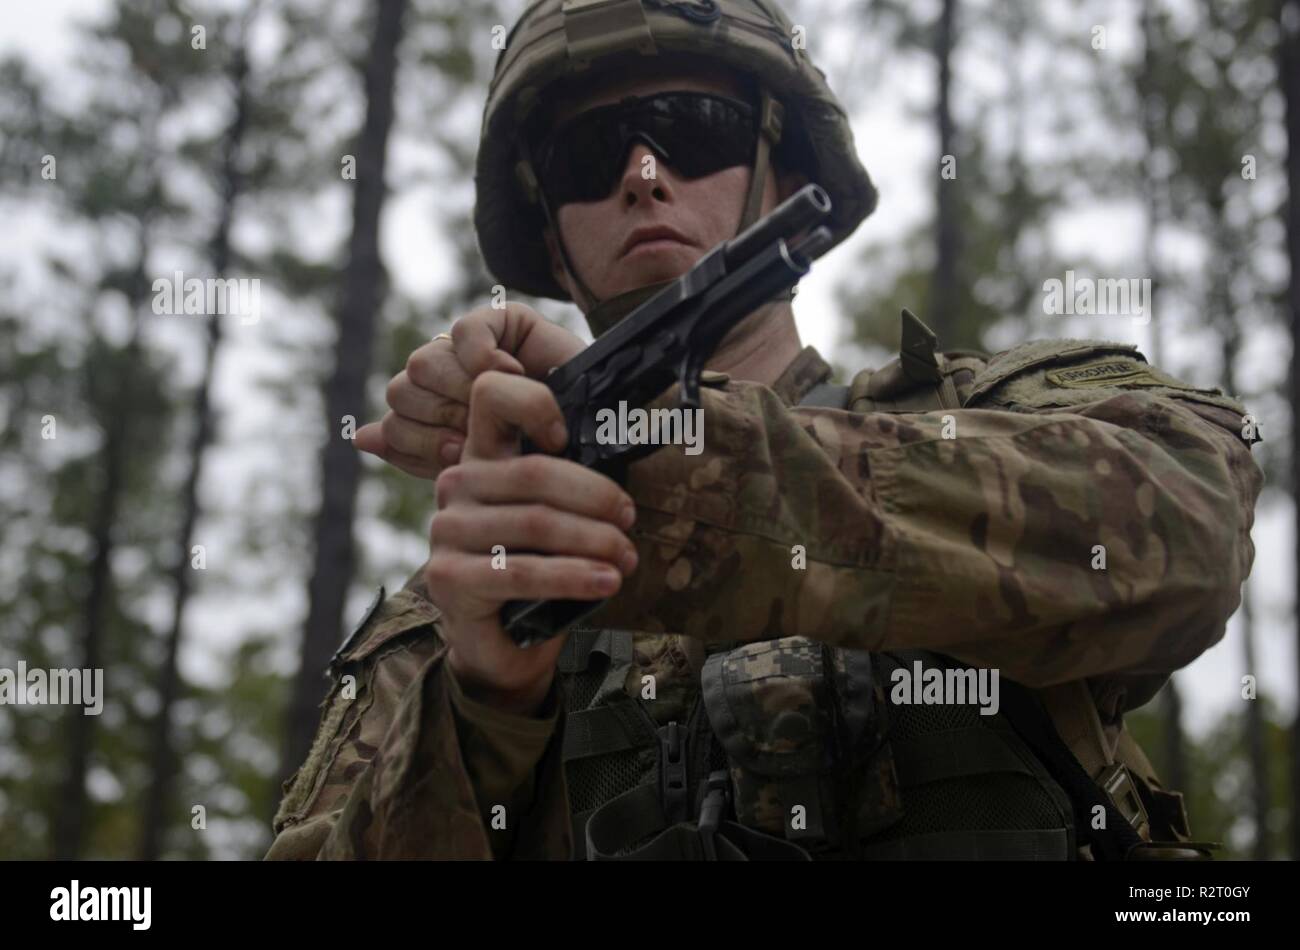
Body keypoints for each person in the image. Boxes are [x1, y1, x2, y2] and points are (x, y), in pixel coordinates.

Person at [266, 0, 1262, 861]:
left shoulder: (992, 421)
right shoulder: (461, 606)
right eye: (588, 155)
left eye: (692, 130)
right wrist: (484, 710)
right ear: (551, 243)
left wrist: (649, 461)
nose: (642, 174)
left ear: (782, 175)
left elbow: (1190, 531)